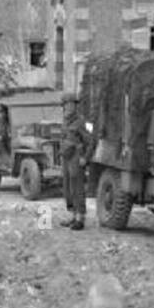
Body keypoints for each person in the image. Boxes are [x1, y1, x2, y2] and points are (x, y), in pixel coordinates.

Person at [60, 92, 94, 229]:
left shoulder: (82, 122)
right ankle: (73, 216)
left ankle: (81, 218)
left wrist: (85, 158)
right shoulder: (65, 121)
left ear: (75, 106)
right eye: (67, 104)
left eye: (72, 104)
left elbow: (91, 142)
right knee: (68, 188)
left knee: (77, 188)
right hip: (66, 157)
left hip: (76, 157)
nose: (69, 107)